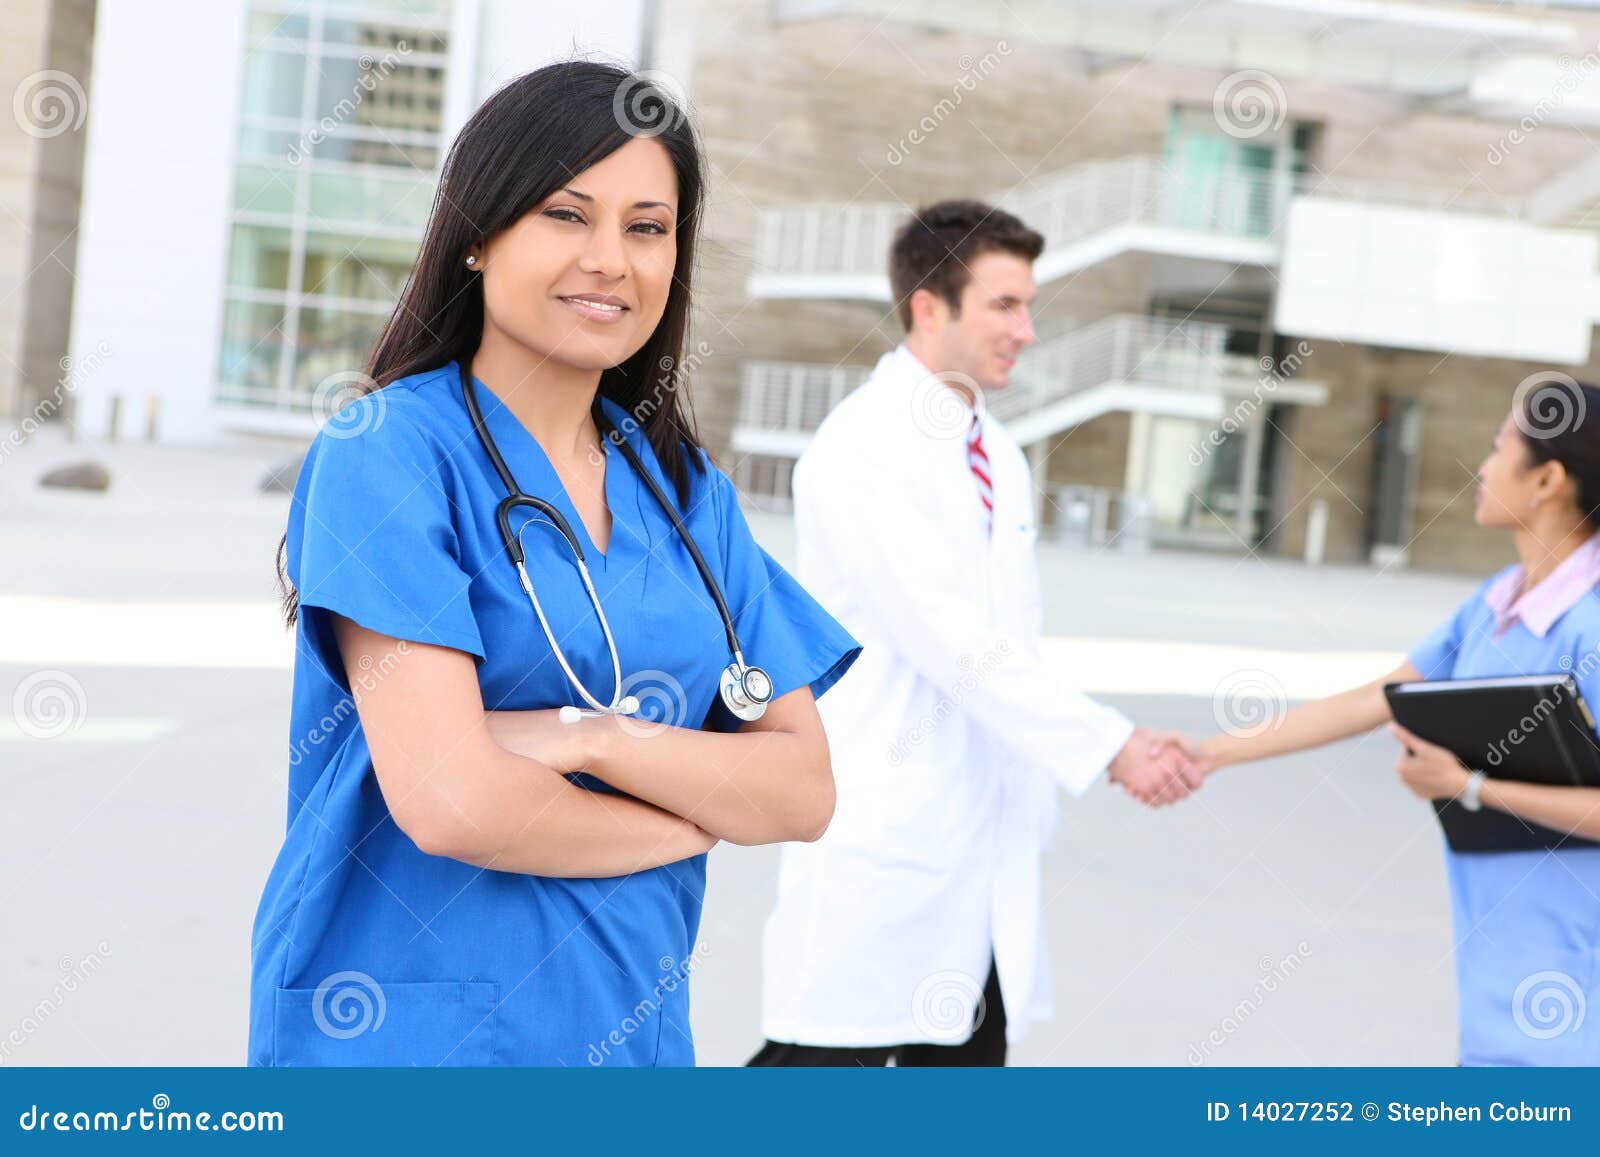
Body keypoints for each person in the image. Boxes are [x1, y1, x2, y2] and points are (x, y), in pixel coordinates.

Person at [249, 62, 860, 1067]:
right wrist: (691, 813)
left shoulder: (685, 492)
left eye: (648, 227)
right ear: (478, 234)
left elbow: (802, 790)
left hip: (629, 1038)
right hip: (411, 1042)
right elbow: (453, 801)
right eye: (566, 214)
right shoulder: (389, 453)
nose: (610, 260)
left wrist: (596, 739)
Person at [750, 200, 1202, 1067]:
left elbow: (1013, 642)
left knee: (964, 1064)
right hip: (887, 824)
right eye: (1004, 305)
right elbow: (952, 641)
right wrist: (1111, 744)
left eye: (1028, 305)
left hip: (983, 842)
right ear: (929, 306)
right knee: (816, 1063)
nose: (1026, 330)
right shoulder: (864, 446)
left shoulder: (998, 451)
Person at [1185, 376, 1600, 1066]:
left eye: (1499, 447)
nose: (1483, 467)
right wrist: (1210, 753)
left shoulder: (1591, 625)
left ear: (1547, 480)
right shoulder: (1493, 603)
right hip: (1495, 1001)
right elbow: (1373, 698)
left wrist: (1468, 787)